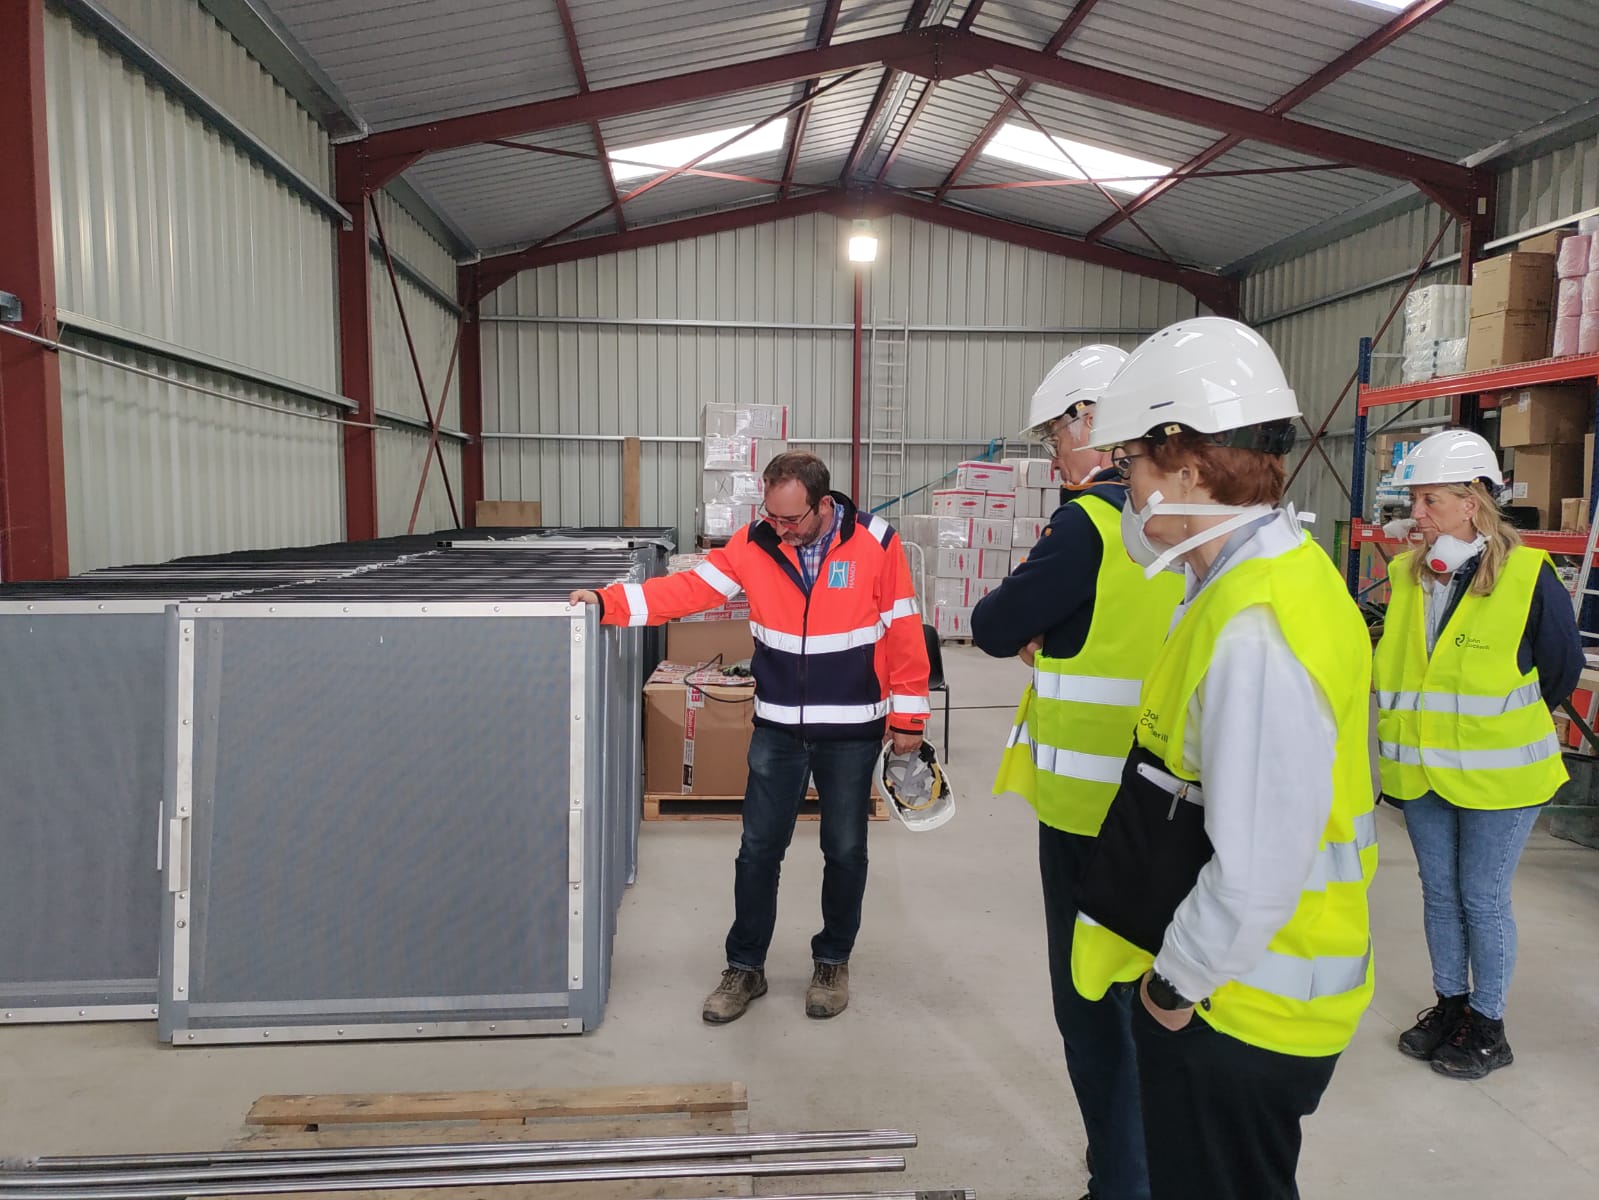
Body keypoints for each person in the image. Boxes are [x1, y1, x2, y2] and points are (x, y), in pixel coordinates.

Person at [1068, 317, 1377, 1200]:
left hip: (1240, 1008)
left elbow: (1257, 867)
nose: (1122, 484)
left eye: (1132, 463)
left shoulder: (1256, 629)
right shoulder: (1247, 584)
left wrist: (1174, 990)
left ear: (1189, 470)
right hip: (1241, 994)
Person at [571, 450, 930, 1024]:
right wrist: (611, 602)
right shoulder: (755, 542)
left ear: (822, 503)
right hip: (779, 727)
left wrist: (909, 719)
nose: (781, 530)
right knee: (758, 851)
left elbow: (905, 629)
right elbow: (687, 591)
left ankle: (832, 961)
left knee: (845, 851)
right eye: (772, 517)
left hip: (852, 731)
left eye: (792, 520)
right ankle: (745, 967)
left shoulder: (876, 543)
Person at [972, 346, 1182, 1200]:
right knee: (1157, 1001)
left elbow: (992, 626)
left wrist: (1042, 621)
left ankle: (1122, 1182)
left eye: (1054, 431)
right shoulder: (1191, 528)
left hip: (1087, 813)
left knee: (1093, 1010)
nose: (1051, 453)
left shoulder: (1086, 525)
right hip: (1171, 808)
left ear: (1087, 422)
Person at [1373, 429, 1581, 1079]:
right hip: (1424, 770)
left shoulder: (1525, 573)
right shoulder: (1407, 575)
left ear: (1472, 501)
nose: (1418, 514)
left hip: (1499, 776)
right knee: (1439, 892)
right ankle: (1450, 1005)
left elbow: (1560, 667)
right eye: (1415, 500)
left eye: (1430, 500)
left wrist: (1495, 724)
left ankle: (1487, 1026)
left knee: (1480, 897)